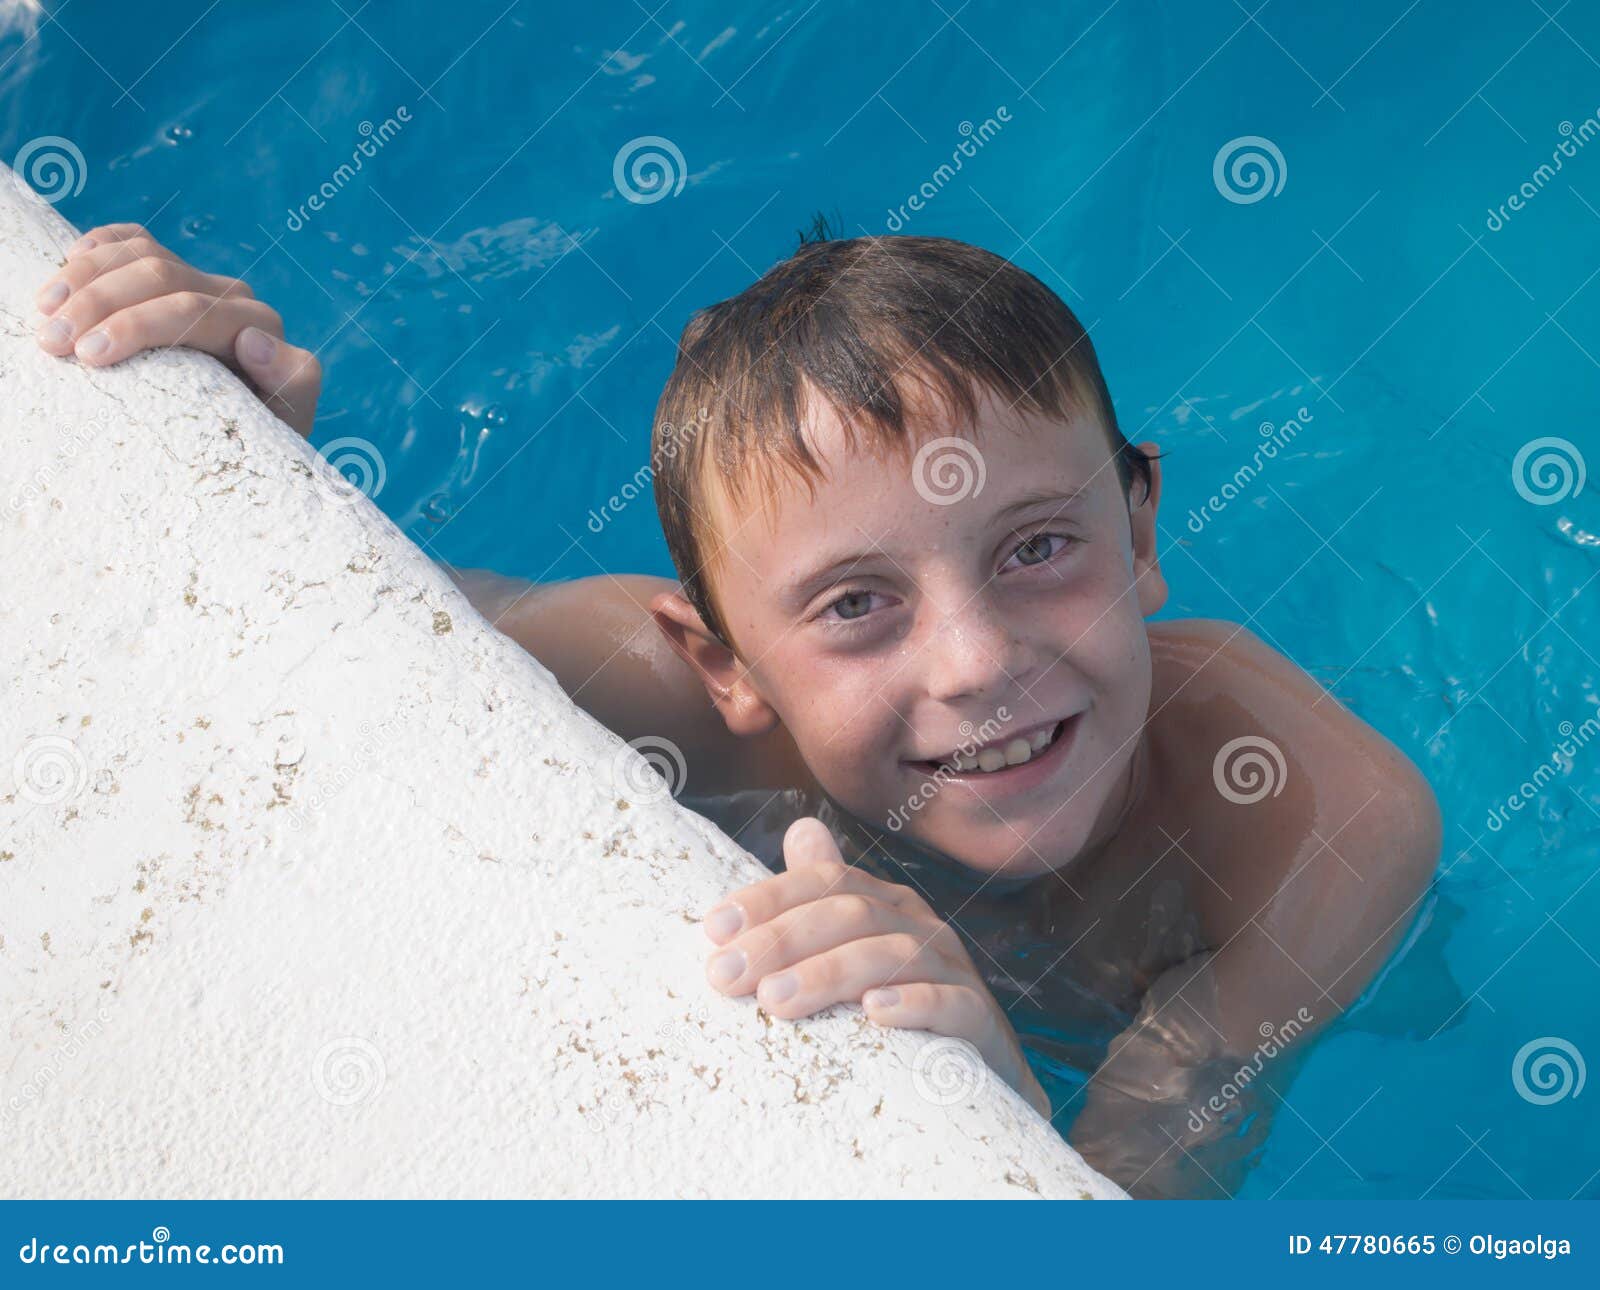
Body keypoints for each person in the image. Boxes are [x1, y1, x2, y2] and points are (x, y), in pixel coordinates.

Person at [34, 223, 1441, 1197]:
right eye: (854, 606)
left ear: (1140, 526)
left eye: (1036, 548)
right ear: (723, 661)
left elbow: (1147, 1196)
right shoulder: (674, 700)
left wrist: (998, 1096)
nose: (973, 660)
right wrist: (240, 427)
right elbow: (360, 612)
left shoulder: (1319, 825)